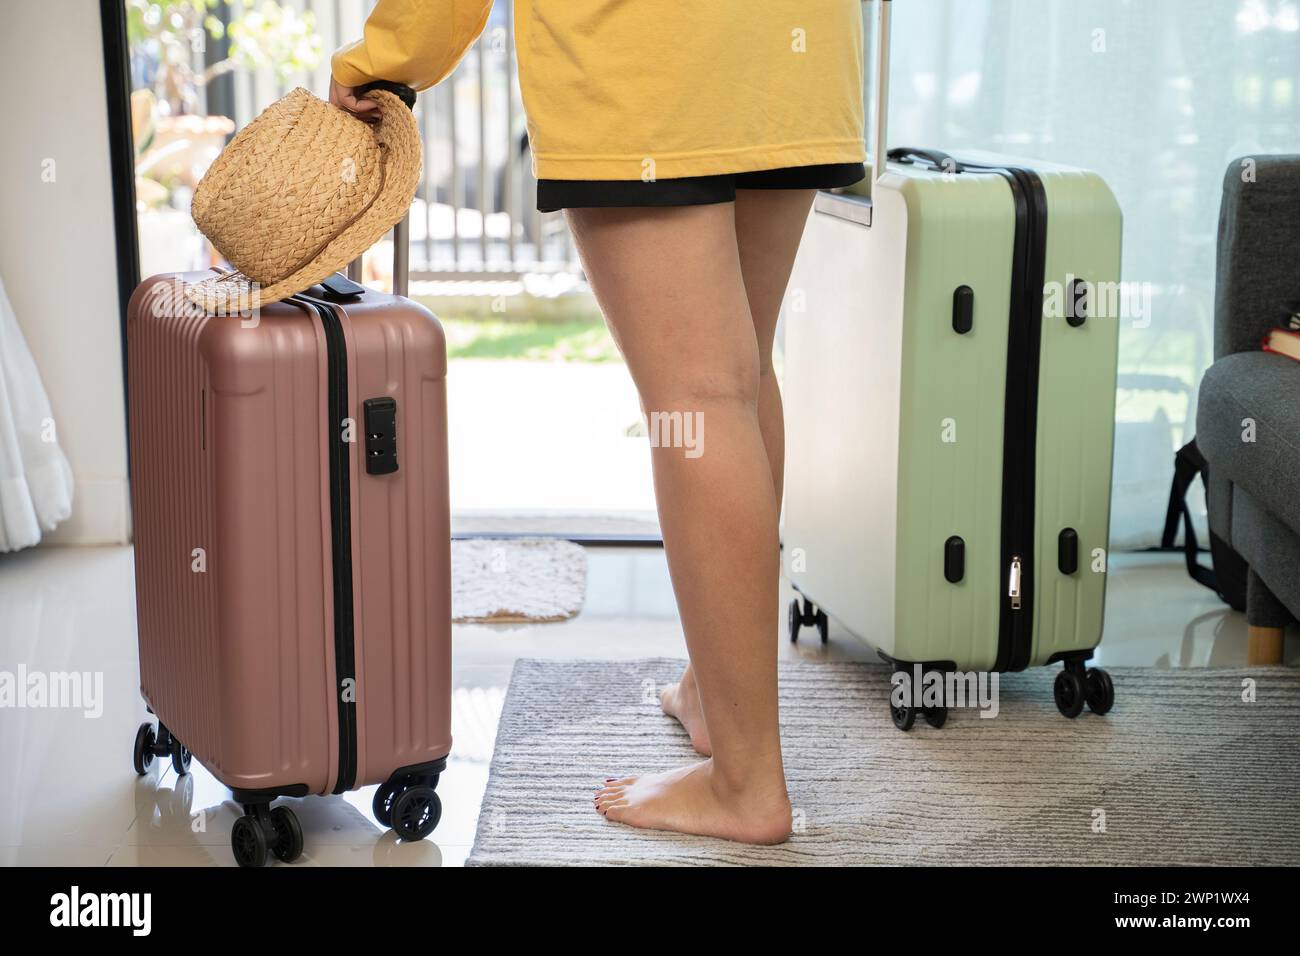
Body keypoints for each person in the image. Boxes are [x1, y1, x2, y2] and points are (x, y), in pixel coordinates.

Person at [331, 0, 865, 845]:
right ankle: (712, 695)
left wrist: (381, 58)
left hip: (651, 60)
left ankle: (746, 783)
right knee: (739, 376)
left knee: (700, 397)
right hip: (793, 55)